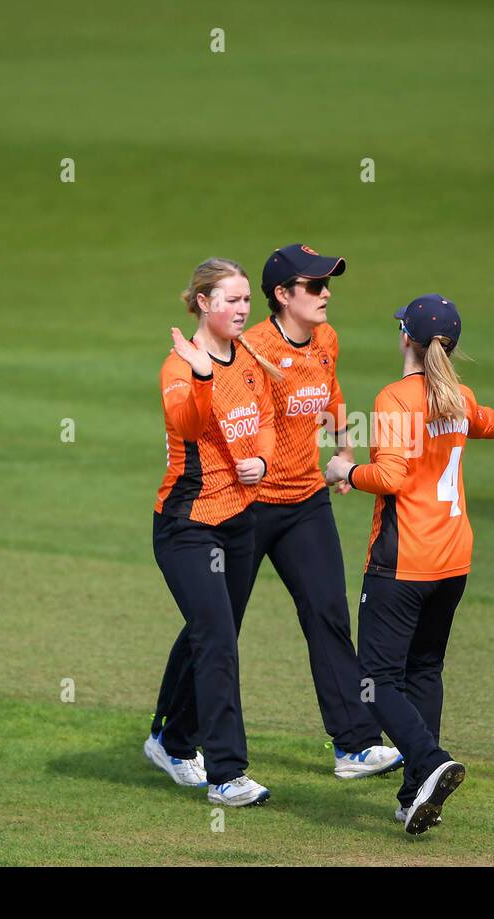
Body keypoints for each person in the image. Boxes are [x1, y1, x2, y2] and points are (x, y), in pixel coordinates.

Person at [325, 295, 494, 833]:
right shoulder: (457, 396)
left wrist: (345, 473)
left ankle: (429, 761)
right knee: (423, 670)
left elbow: (392, 477)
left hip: (402, 562)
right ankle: (412, 795)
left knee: (374, 681)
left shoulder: (396, 398)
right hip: (454, 560)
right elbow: (481, 421)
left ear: (405, 338)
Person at [237, 244, 403, 779]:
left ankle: (354, 743)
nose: (326, 293)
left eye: (327, 284)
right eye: (314, 285)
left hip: (305, 502)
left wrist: (345, 450)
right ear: (283, 295)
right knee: (216, 625)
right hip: (249, 507)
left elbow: (331, 396)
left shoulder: (326, 338)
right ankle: (172, 734)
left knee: (329, 614)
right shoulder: (253, 349)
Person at [144, 257, 277, 808]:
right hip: (187, 525)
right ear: (203, 302)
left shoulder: (247, 356)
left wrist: (263, 462)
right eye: (231, 299)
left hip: (240, 520)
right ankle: (226, 775)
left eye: (247, 299)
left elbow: (265, 418)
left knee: (210, 633)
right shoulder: (180, 367)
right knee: (217, 639)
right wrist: (201, 375)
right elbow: (189, 425)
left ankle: (170, 740)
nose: (243, 308)